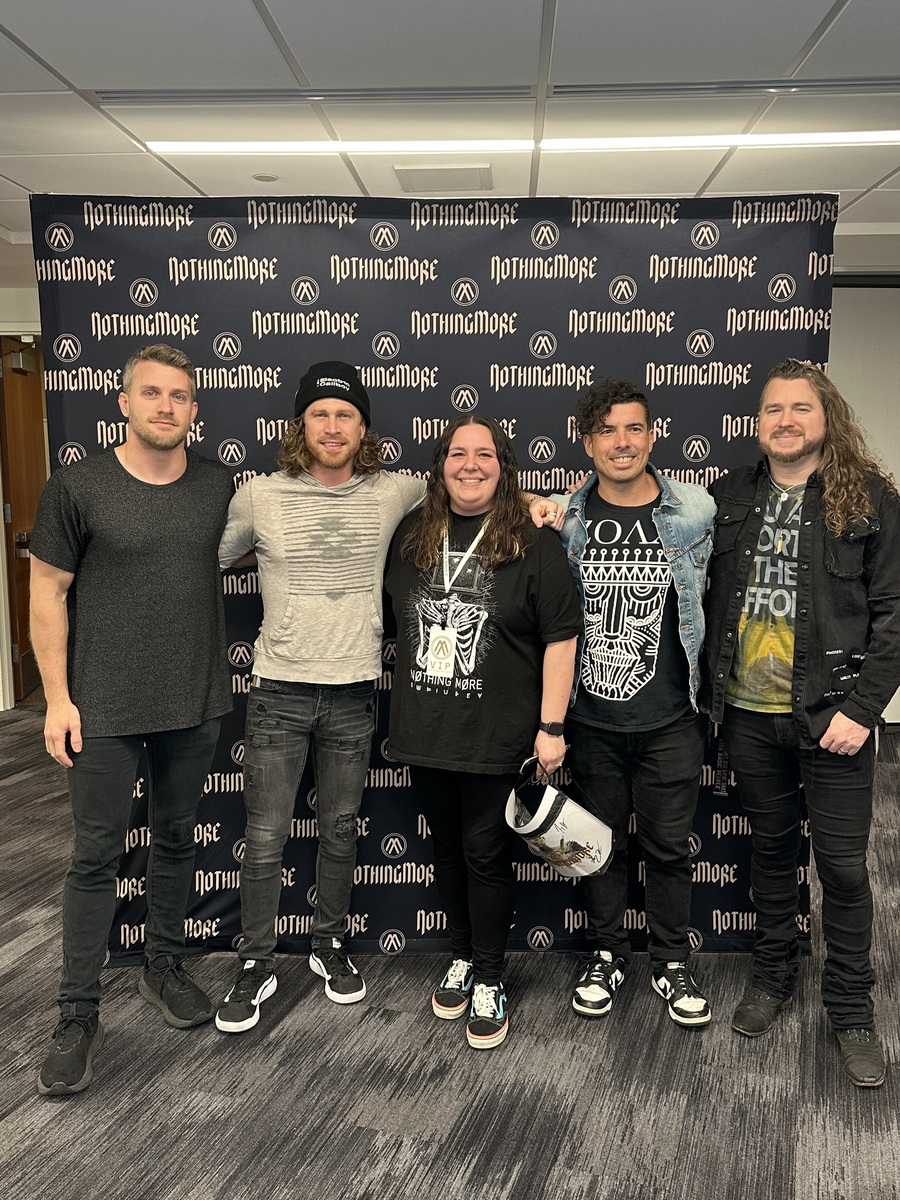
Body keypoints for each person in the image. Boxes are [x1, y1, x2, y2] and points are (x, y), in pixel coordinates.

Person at [30, 344, 234, 1096]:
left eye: (178, 396)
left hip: (193, 698)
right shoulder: (77, 486)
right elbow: (47, 591)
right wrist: (57, 698)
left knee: (176, 839)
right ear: (123, 403)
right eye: (151, 393)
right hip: (102, 707)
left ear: (194, 410)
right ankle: (77, 1013)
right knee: (96, 857)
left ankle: (163, 965)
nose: (165, 407)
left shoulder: (217, 485)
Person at [701, 358, 900, 1088]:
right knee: (771, 853)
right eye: (773, 409)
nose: (785, 421)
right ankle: (773, 975)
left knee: (844, 870)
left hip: (833, 718)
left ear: (827, 418)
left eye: (801, 408)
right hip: (749, 715)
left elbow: (895, 614)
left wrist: (863, 710)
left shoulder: (870, 499)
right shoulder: (729, 494)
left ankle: (850, 1009)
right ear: (759, 422)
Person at [214, 360, 426, 1031]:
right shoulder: (259, 496)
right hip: (277, 691)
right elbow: (205, 559)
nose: (332, 426)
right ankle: (256, 961)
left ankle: (328, 943)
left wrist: (544, 505)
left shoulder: (395, 491)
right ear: (300, 425)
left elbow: (472, 491)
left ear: (363, 428)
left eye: (345, 414)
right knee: (265, 836)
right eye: (320, 414)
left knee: (339, 828)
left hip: (354, 692)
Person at [384, 414, 581, 1050]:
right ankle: (463, 956)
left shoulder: (533, 541)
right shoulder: (412, 533)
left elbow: (561, 639)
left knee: (486, 856)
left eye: (485, 454)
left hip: (498, 736)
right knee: (446, 853)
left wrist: (551, 726)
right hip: (426, 732)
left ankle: (491, 978)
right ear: (440, 465)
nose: (471, 464)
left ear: (503, 465)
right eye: (458, 454)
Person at [550, 378, 715, 1028]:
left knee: (669, 847)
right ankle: (606, 954)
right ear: (587, 443)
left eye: (633, 428)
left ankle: (671, 961)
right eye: (607, 430)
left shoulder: (695, 509)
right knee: (600, 847)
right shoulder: (565, 517)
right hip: (591, 719)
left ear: (652, 435)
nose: (622, 442)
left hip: (672, 717)